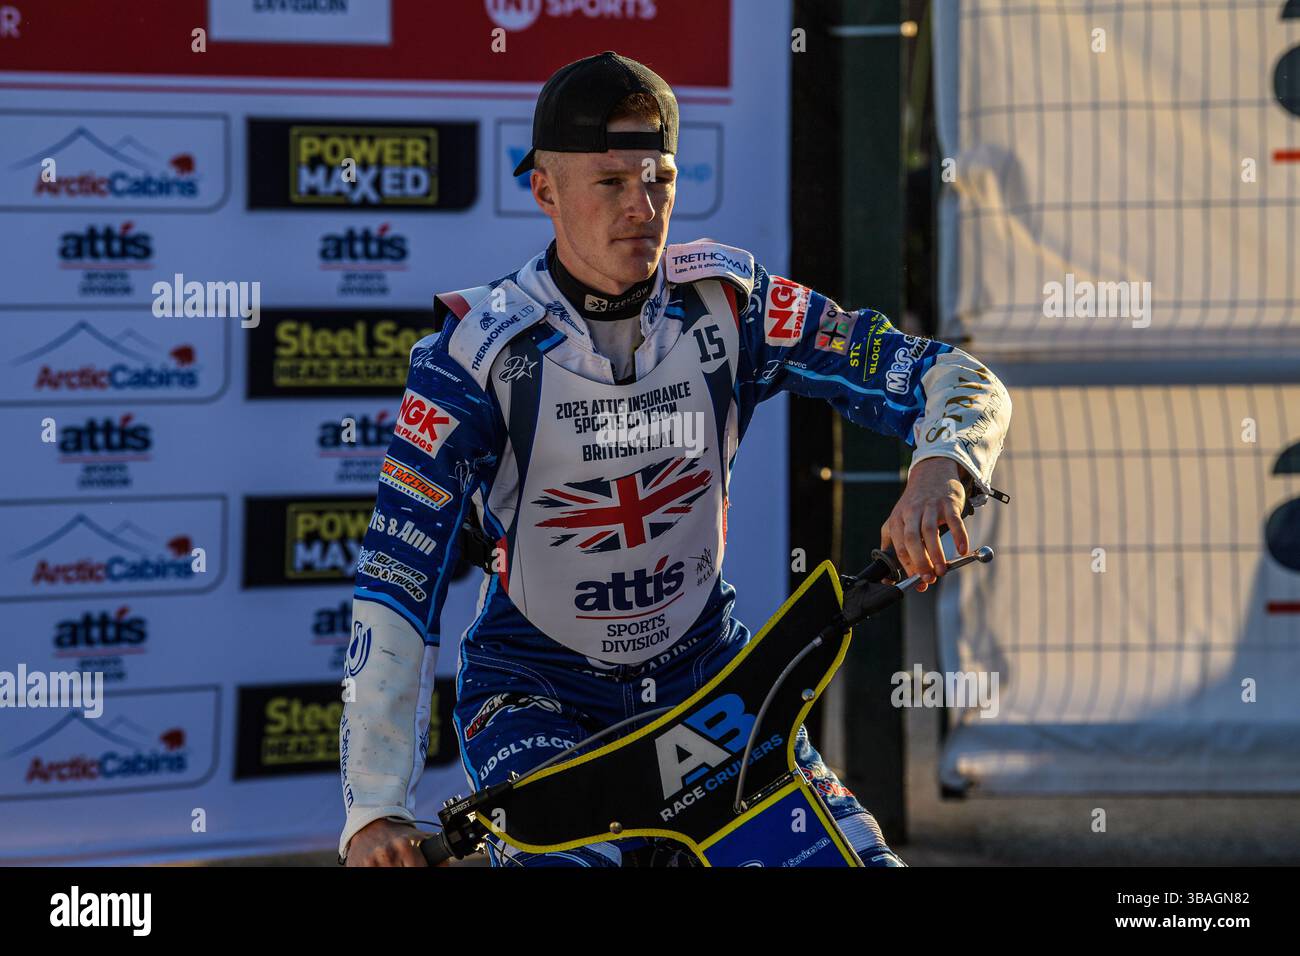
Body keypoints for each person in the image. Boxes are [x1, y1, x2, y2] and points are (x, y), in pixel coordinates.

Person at [338, 51, 1012, 867]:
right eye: (611, 182)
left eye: (658, 178)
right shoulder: (472, 354)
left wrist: (943, 462)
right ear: (545, 190)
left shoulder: (732, 304)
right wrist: (375, 804)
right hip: (541, 701)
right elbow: (396, 581)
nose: (641, 207)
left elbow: (954, 376)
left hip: (715, 691)